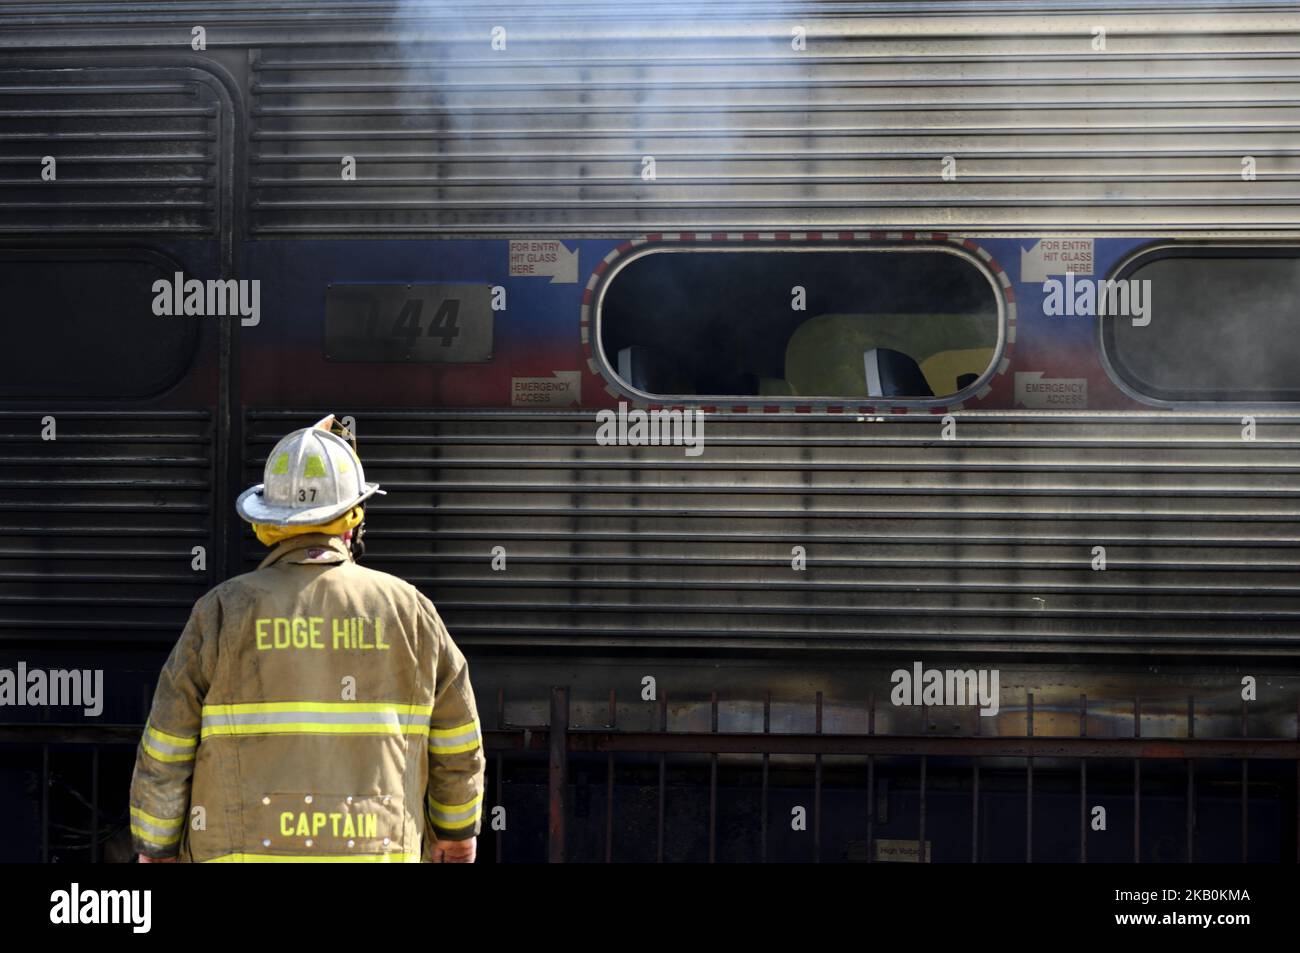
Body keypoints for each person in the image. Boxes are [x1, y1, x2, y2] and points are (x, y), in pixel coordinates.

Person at [128, 416, 484, 863]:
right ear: (351, 519)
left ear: (268, 524)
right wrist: (455, 833)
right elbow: (456, 743)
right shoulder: (408, 611)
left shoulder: (221, 611)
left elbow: (168, 744)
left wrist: (157, 847)